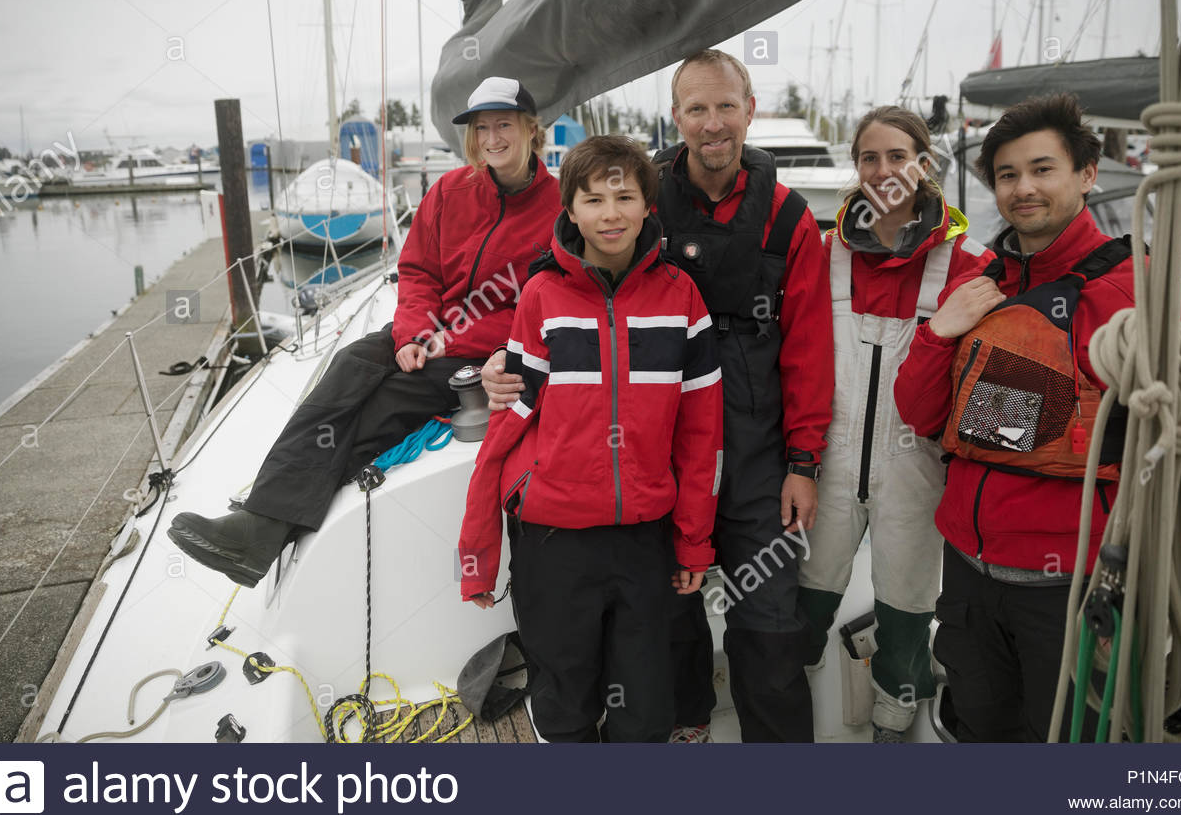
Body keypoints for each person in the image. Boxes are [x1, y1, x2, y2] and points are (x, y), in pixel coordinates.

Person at [483, 50, 833, 743]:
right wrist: (504, 354)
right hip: (659, 450)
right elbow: (565, 280)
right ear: (675, 117)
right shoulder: (639, 193)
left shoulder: (789, 218)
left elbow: (810, 348)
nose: (712, 123)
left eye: (726, 106)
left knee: (768, 625)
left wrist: (804, 461)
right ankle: (686, 731)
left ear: (750, 110)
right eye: (696, 109)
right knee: (670, 617)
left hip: (760, 455)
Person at [894, 93, 1181, 742]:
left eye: (1043, 169)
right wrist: (940, 332)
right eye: (1007, 175)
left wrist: (1151, 578)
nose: (1024, 188)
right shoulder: (979, 285)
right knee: (979, 731)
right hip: (968, 574)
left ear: (1086, 174)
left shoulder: (1152, 296)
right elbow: (920, 412)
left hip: (1074, 588)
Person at [168, 77, 561, 586]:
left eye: (503, 124)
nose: (491, 138)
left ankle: (263, 531)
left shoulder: (559, 208)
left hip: (486, 350)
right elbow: (418, 271)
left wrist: (449, 339)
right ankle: (259, 523)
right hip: (427, 331)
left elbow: (541, 304)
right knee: (349, 365)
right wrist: (414, 333)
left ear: (531, 129)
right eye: (481, 127)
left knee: (387, 400)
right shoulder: (449, 192)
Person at [458, 135, 722, 743]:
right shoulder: (543, 297)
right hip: (554, 541)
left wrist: (693, 543)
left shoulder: (681, 298)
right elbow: (506, 428)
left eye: (625, 196)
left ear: (648, 206)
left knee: (645, 708)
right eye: (593, 199)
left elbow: (702, 434)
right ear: (569, 210)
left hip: (643, 541)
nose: (610, 214)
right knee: (564, 699)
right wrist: (478, 555)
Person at [796, 106, 993, 742]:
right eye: (869, 158)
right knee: (807, 593)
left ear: (923, 163)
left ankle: (894, 716)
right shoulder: (823, 255)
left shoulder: (966, 264)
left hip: (917, 467)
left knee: (907, 606)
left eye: (898, 157)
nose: (884, 172)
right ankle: (794, 689)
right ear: (855, 167)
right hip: (827, 460)